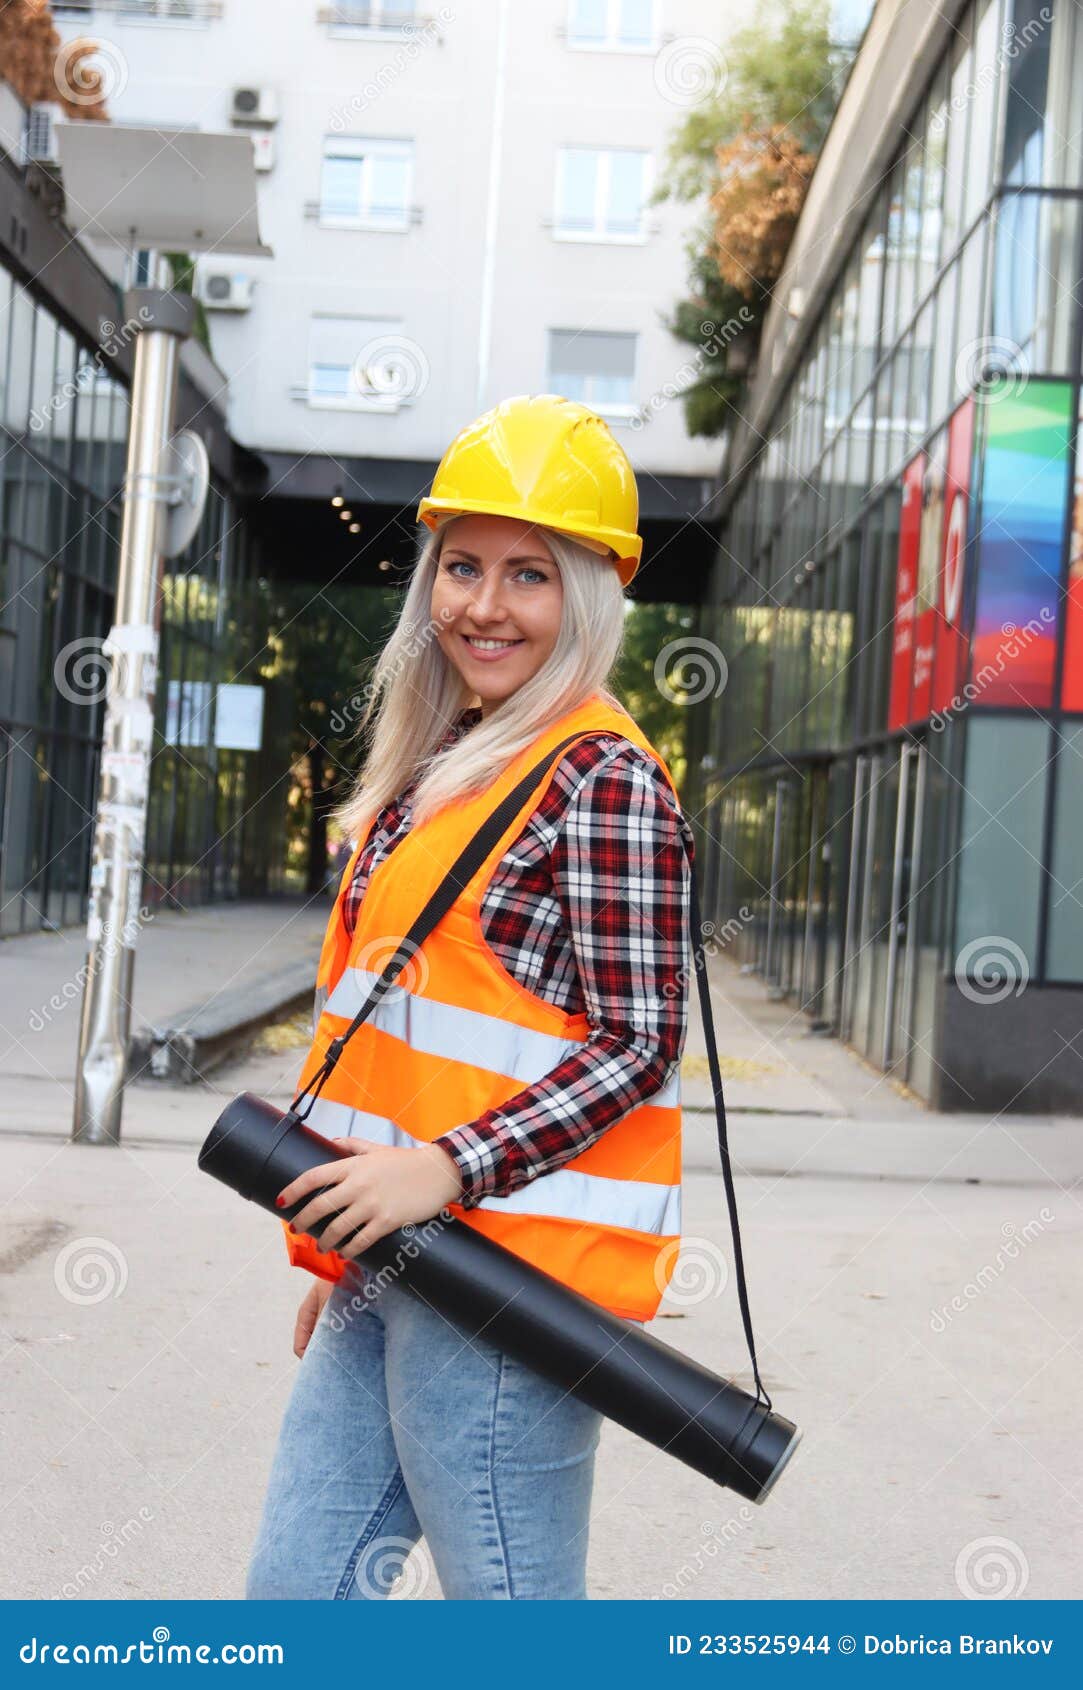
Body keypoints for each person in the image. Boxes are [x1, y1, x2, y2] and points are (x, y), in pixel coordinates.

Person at [245, 394, 693, 1601]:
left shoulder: (601, 778)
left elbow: (641, 1041)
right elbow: (391, 1029)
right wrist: (340, 1232)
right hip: (388, 1260)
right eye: (463, 567)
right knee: (297, 1604)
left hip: (503, 1280)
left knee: (514, 1628)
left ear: (589, 596)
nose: (484, 606)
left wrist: (445, 1165)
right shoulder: (444, 767)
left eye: (530, 575)